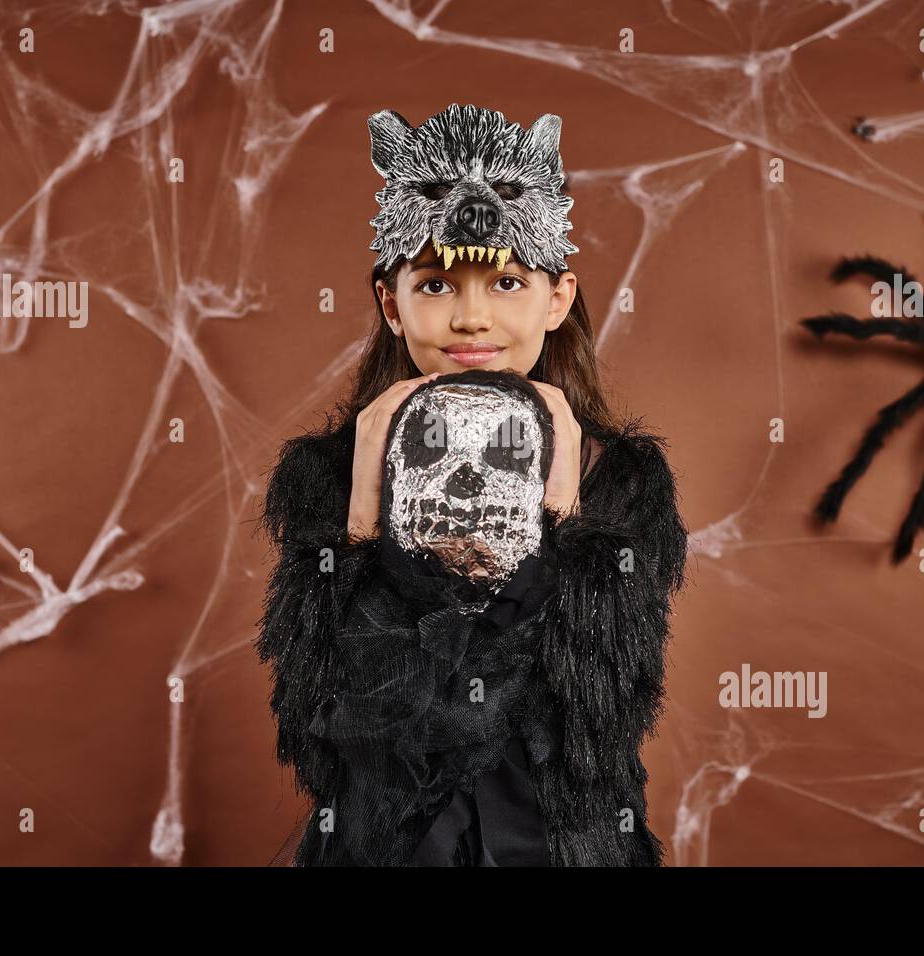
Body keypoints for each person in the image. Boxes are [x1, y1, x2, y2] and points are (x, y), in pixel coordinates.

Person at [254, 103, 689, 866]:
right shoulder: (324, 474)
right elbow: (325, 732)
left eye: (509, 281)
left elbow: (598, 720)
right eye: (434, 286)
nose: (471, 317)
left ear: (556, 299)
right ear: (392, 303)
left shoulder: (619, 478)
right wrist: (362, 512)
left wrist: (562, 514)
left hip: (561, 847)